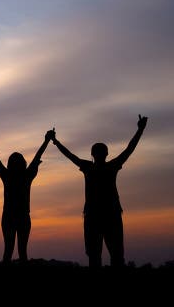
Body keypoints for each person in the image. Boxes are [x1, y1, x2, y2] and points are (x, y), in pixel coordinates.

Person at [51, 115, 148, 268]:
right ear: (106, 154)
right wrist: (140, 130)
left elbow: (70, 155)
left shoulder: (91, 167)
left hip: (98, 216)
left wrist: (55, 142)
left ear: (92, 154)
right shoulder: (109, 166)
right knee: (112, 256)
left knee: (99, 256)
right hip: (107, 215)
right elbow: (129, 149)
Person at [0, 128, 53, 263]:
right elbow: (37, 156)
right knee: (20, 251)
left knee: (10, 251)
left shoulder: (9, 176)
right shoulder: (25, 175)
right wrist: (47, 140)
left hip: (12, 216)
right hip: (18, 217)